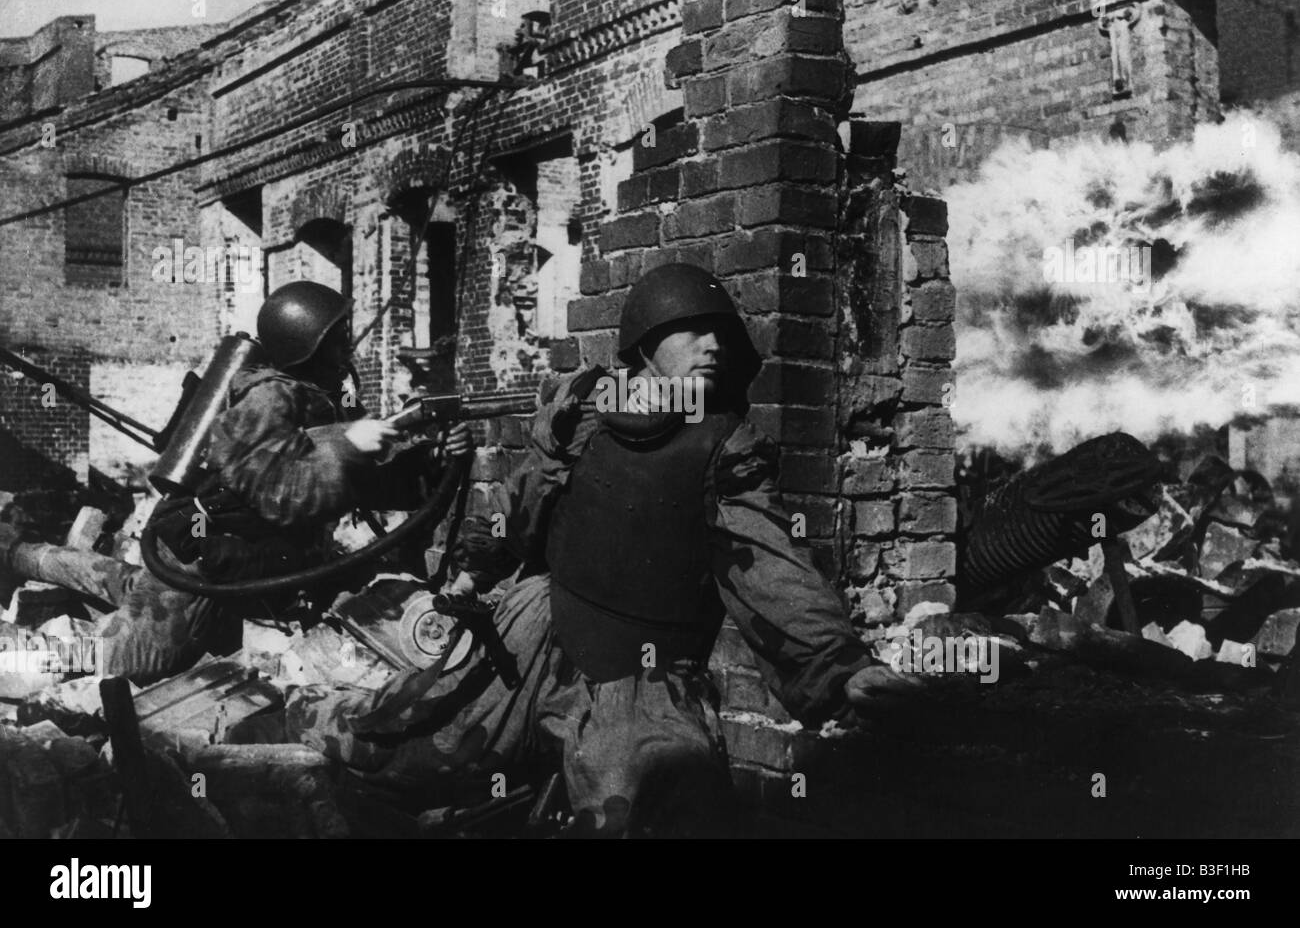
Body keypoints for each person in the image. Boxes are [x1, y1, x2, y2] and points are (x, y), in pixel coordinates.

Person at [287, 265, 923, 836]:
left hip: (642, 679)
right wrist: (473, 571)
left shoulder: (725, 450)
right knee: (407, 746)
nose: (713, 346)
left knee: (666, 795)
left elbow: (773, 568)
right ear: (645, 343)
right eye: (692, 330)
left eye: (721, 335)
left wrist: (841, 669)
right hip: (533, 633)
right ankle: (291, 710)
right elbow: (519, 508)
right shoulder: (580, 418)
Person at [0, 281, 467, 685]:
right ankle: (25, 653)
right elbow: (275, 493)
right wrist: (348, 444)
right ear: (307, 345)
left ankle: (19, 552)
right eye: (337, 337)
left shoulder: (323, 397)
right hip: (201, 560)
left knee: (131, 586)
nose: (348, 346)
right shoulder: (267, 398)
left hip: (243, 567)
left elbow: (360, 482)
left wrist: (433, 460)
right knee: (138, 656)